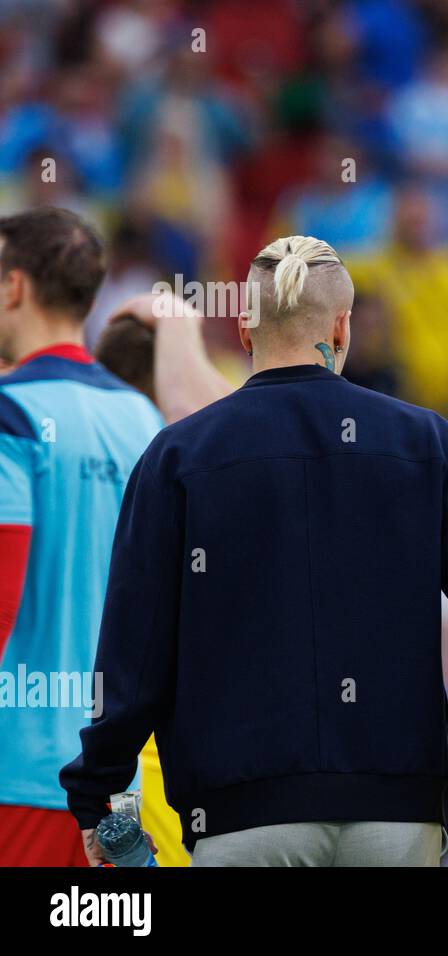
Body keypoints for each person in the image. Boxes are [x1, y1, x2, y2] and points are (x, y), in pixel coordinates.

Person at [61, 235, 448, 867]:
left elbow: (133, 651)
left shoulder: (177, 457)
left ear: (246, 326)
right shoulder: (428, 444)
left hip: (242, 819)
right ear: (342, 326)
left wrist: (98, 790)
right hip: (396, 815)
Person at [0, 207, 164, 866]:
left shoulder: (11, 410)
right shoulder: (144, 417)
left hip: (18, 771)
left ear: (14, 287)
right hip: (115, 792)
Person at [93, 290, 236, 867]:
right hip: (159, 757)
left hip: (97, 747)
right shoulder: (168, 456)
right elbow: (220, 423)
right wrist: (178, 318)